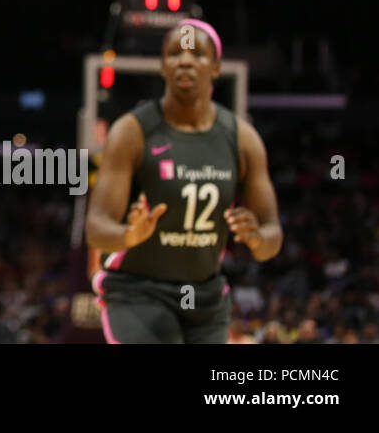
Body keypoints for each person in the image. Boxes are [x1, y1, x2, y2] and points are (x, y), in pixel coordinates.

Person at [86, 19, 283, 343]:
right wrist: (128, 235)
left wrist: (258, 238)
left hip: (204, 296)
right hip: (137, 291)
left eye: (198, 54)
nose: (186, 60)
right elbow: (96, 228)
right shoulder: (132, 132)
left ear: (216, 67)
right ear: (163, 66)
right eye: (175, 53)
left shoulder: (242, 139)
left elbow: (273, 236)